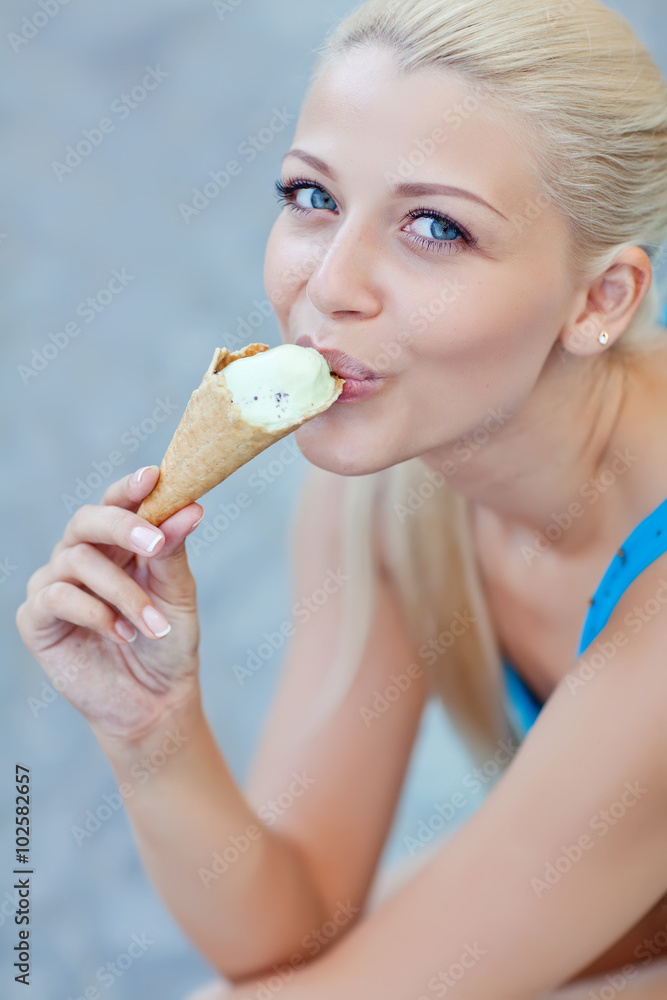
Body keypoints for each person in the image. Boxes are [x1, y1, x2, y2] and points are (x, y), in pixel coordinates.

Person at [16, 0, 667, 996]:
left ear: (600, 300)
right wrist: (150, 730)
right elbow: (295, 930)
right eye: (312, 197)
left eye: (435, 227)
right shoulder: (396, 492)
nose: (329, 284)